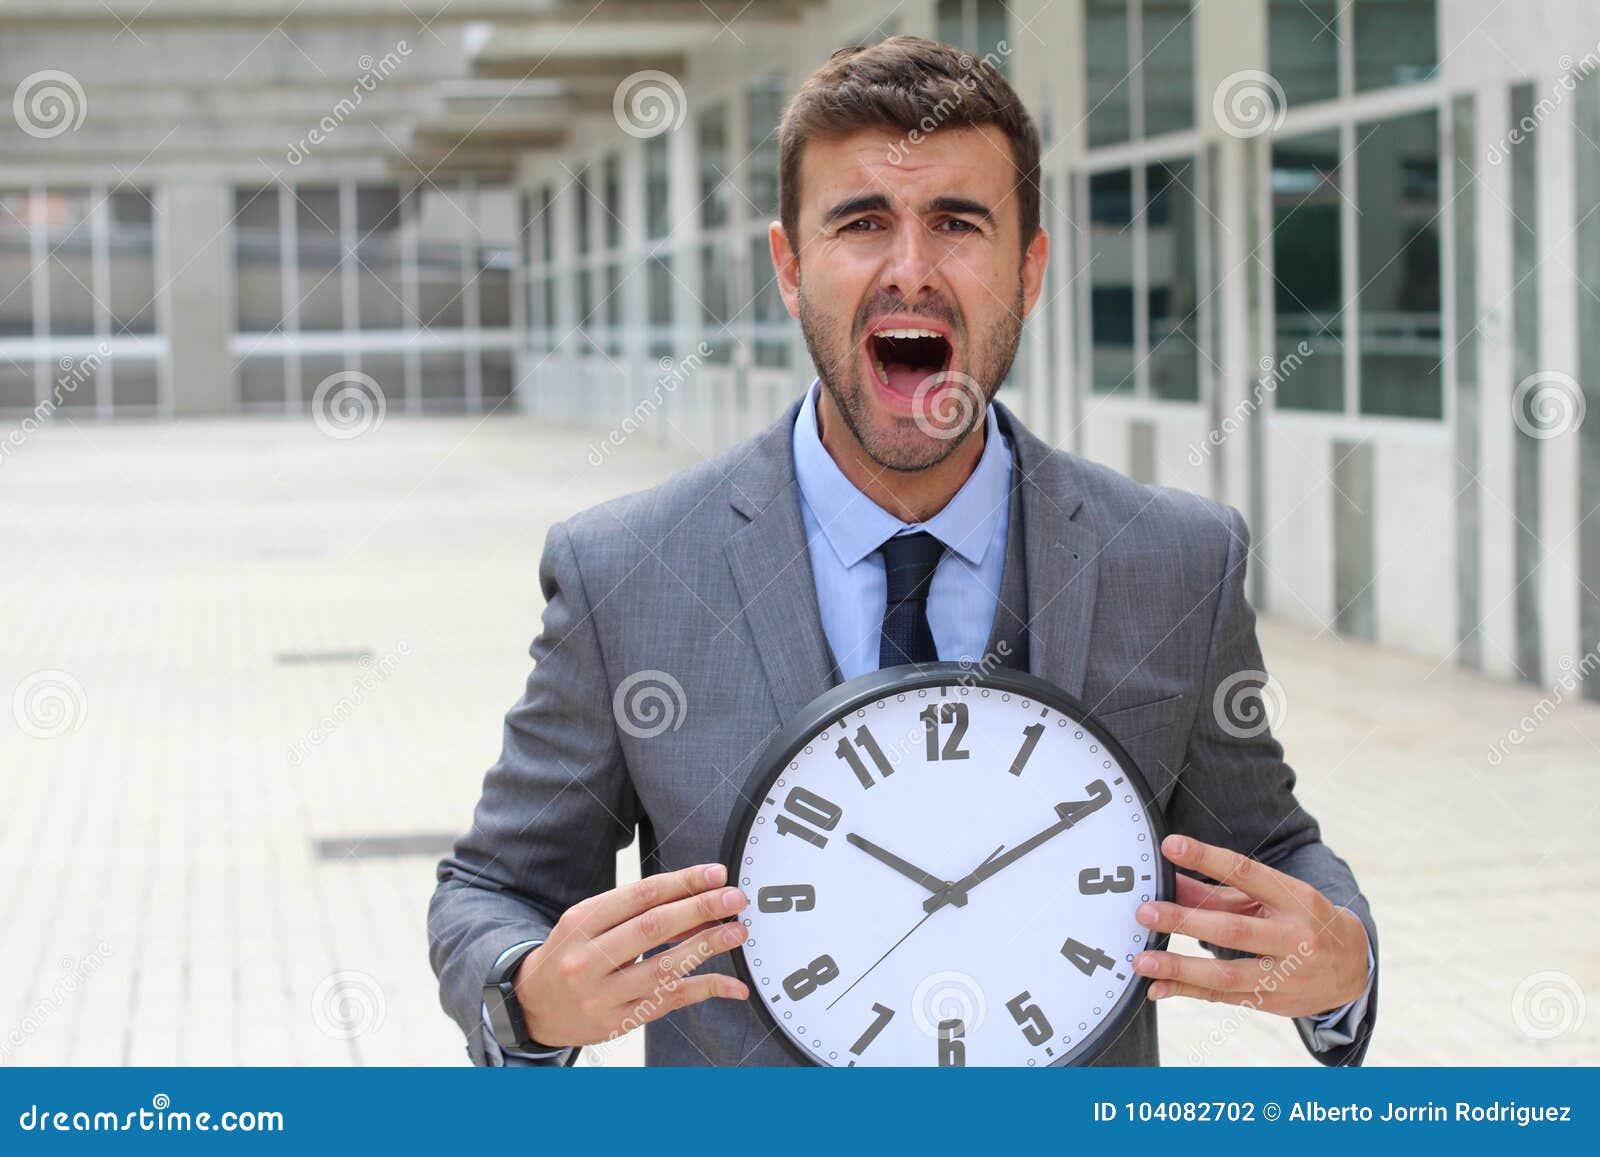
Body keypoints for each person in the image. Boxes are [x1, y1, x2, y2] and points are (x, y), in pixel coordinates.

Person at [427, 34, 1376, 1068]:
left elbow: (1270, 851)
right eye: (862, 222)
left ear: (1030, 267)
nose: (911, 269)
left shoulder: (1174, 560)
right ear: (790, 267)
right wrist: (526, 994)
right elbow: (495, 888)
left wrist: (1341, 966)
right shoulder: (628, 572)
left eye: (958, 223)